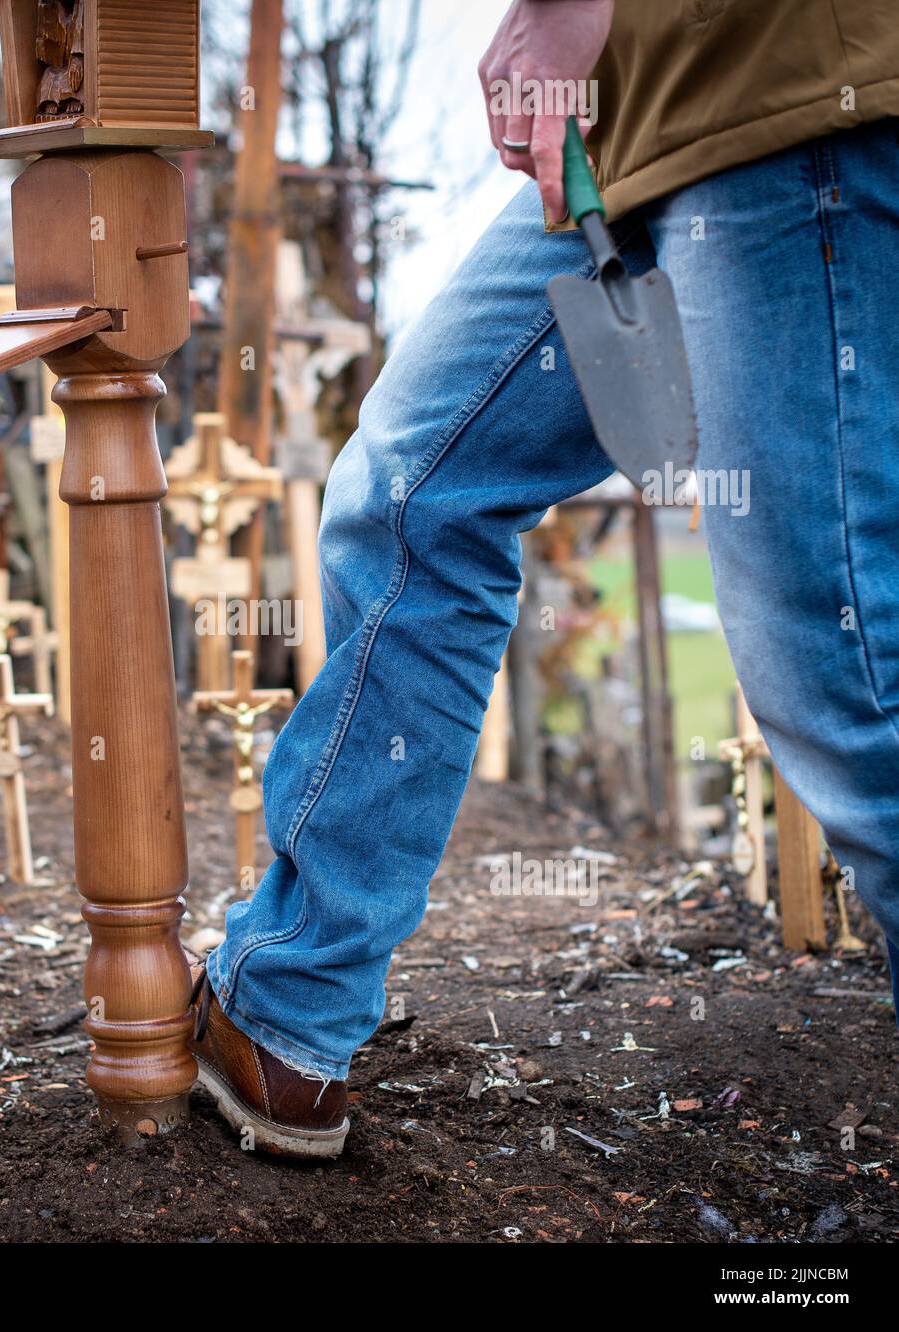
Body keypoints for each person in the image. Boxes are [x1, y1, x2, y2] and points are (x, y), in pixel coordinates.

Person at [190, 0, 899, 1158]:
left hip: (786, 92)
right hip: (628, 138)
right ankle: (286, 1015)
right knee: (412, 493)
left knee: (846, 674)